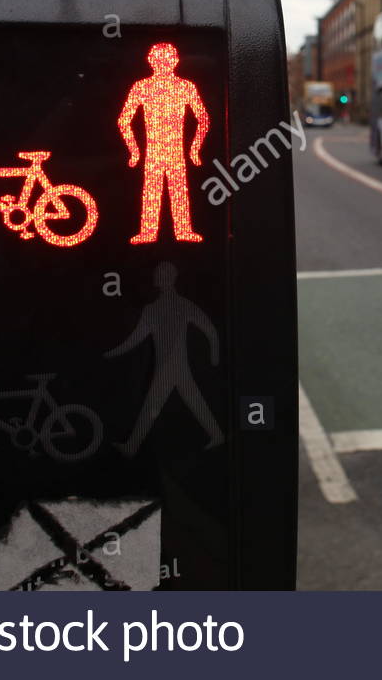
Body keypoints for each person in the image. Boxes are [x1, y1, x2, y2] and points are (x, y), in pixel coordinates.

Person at [105, 263, 224, 456]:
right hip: (170, 367)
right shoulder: (154, 309)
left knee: (153, 406)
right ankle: (216, 434)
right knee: (190, 401)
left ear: (169, 278)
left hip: (169, 367)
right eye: (157, 273)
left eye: (160, 274)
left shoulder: (180, 305)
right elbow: (136, 338)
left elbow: (209, 329)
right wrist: (114, 352)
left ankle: (131, 447)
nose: (156, 277)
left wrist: (215, 356)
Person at [117, 42, 209, 244]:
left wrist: (195, 149)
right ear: (151, 62)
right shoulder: (142, 87)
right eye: (159, 60)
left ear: (175, 61)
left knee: (177, 190)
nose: (163, 64)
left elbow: (203, 119)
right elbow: (124, 120)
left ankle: (182, 230)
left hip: (175, 151)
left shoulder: (186, 87)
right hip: (154, 151)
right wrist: (134, 150)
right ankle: (149, 232)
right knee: (152, 191)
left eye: (167, 59)